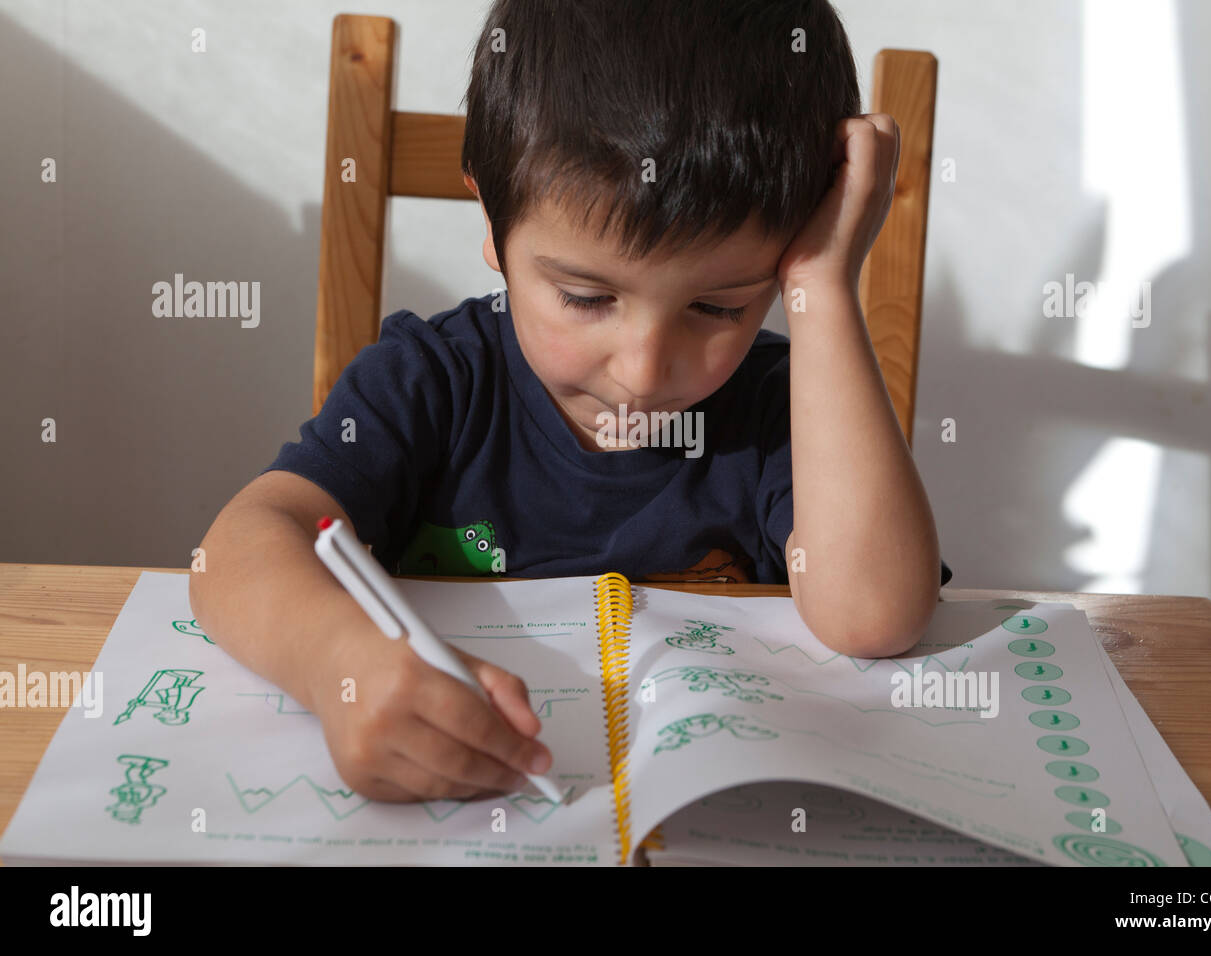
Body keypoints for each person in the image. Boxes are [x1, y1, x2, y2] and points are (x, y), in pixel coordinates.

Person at [190, 0, 950, 804]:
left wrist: (822, 285)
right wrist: (340, 664)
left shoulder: (783, 409)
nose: (646, 369)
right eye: (587, 297)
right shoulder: (434, 380)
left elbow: (875, 617)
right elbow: (235, 550)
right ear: (489, 216)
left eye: (720, 306)